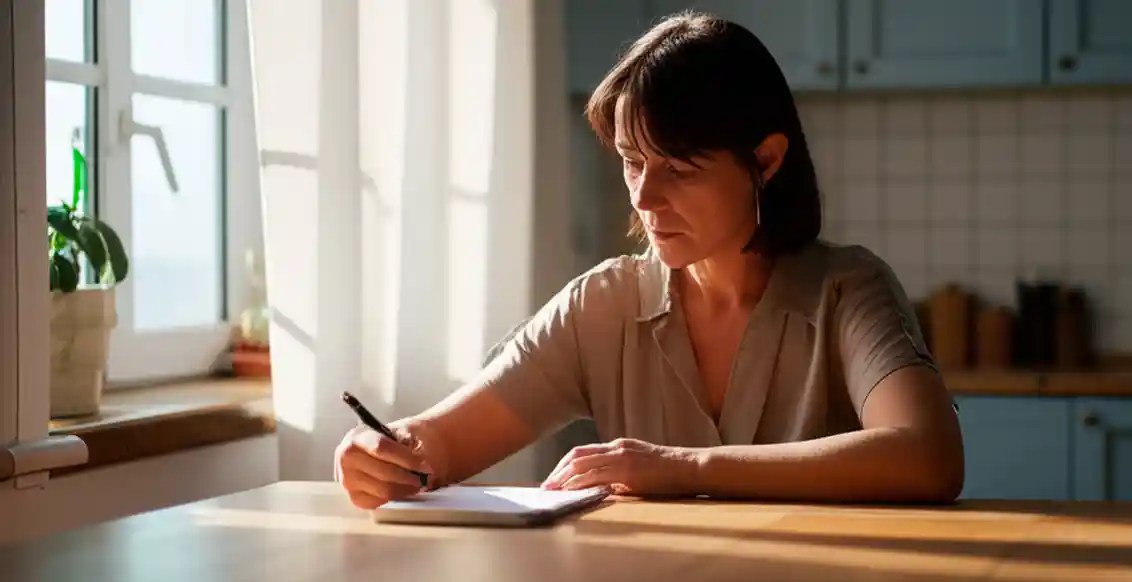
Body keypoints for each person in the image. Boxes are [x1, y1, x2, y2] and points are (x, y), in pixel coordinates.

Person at [334, 11, 963, 508]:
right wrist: (383, 453)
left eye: (679, 169)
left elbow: (929, 456)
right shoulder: (603, 305)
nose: (642, 195)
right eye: (633, 161)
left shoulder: (847, 290)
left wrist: (681, 467)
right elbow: (440, 442)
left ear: (766, 162)